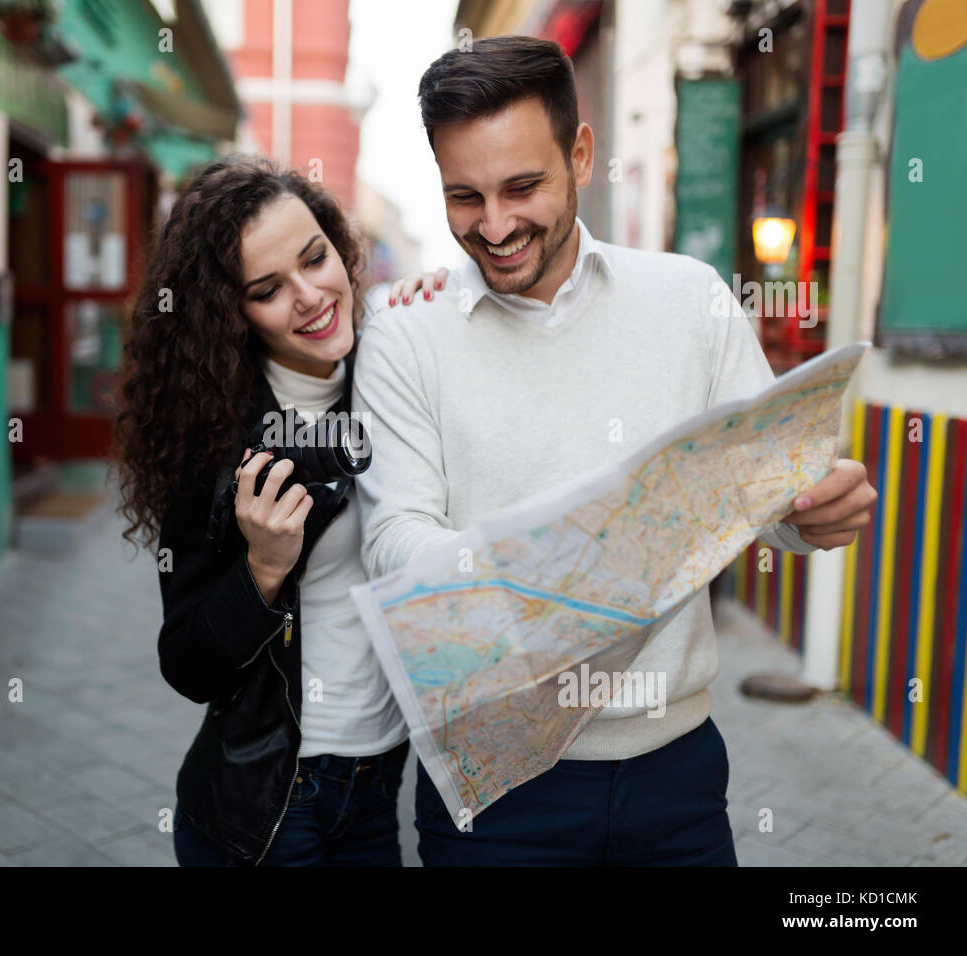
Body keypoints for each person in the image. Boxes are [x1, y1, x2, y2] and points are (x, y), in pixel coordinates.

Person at [354, 36, 878, 866]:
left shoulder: (689, 300)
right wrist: (566, 565)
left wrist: (811, 512)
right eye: (465, 197)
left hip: (676, 773)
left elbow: (762, 498)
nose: (494, 227)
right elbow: (392, 542)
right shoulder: (403, 334)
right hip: (494, 791)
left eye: (522, 187)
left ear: (583, 154)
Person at [115, 156, 437, 866]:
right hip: (269, 805)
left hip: (381, 781)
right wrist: (261, 571)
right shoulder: (211, 436)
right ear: (232, 314)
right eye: (266, 289)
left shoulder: (396, 371)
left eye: (315, 258)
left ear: (340, 245)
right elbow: (188, 663)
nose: (310, 296)